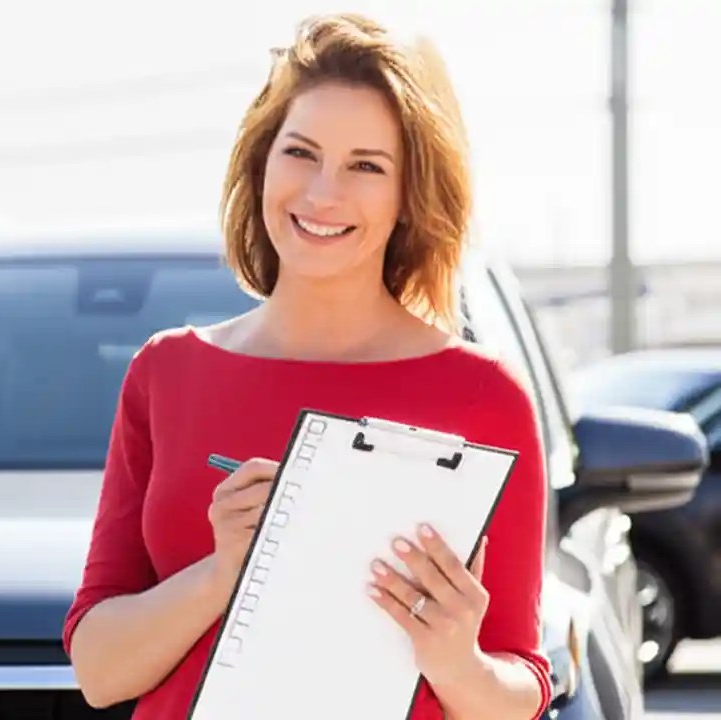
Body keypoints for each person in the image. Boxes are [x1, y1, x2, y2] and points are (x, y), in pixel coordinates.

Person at [62, 12, 552, 720]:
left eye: (366, 166)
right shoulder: (168, 373)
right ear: (261, 161)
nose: (323, 193)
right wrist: (223, 572)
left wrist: (456, 660)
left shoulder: (483, 396)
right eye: (301, 152)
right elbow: (99, 672)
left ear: (408, 196)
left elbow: (518, 690)